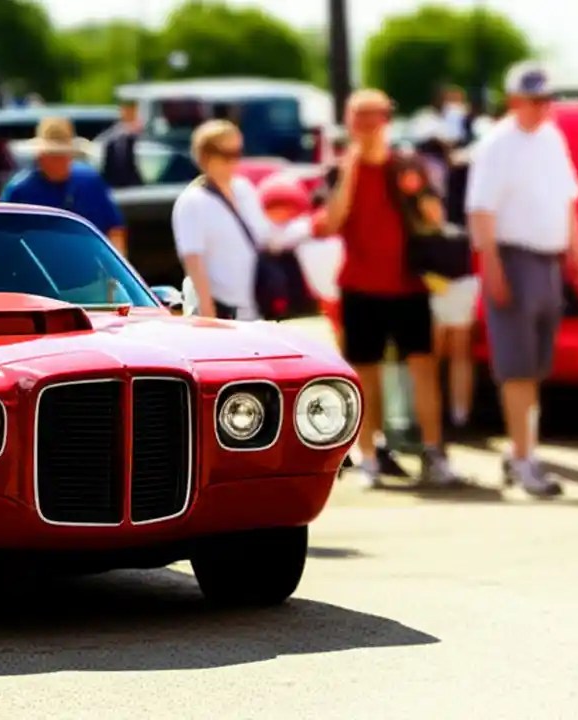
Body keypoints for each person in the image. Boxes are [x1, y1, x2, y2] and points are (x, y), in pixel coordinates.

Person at [316, 89, 462, 489]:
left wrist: (417, 192)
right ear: (349, 122)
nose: (367, 126)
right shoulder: (339, 171)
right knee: (365, 373)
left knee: (424, 368)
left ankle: (433, 452)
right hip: (360, 285)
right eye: (359, 117)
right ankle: (369, 456)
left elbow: (435, 217)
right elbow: (330, 223)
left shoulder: (406, 165)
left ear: (387, 120)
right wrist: (350, 170)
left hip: (409, 284)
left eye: (374, 117)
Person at [466, 62, 578, 497]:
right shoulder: (497, 144)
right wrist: (493, 267)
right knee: (517, 366)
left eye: (547, 100)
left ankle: (523, 450)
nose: (543, 108)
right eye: (535, 100)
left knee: (535, 366)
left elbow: (568, 196)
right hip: (514, 257)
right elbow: (481, 209)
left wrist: (576, 247)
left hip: (548, 260)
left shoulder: (552, 138)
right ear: (515, 101)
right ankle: (523, 459)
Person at [171, 120, 311, 321]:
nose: (233, 161)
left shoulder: (244, 189)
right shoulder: (192, 202)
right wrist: (207, 312)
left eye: (237, 153)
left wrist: (309, 228)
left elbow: (265, 237)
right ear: (204, 156)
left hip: (253, 310)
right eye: (225, 154)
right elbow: (193, 259)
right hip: (220, 314)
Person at [414, 119, 480, 430]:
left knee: (439, 355)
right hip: (456, 275)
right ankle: (454, 414)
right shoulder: (463, 176)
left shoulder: (423, 182)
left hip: (443, 277)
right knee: (453, 353)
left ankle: (446, 416)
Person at [0, 116, 127, 254]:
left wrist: (116, 262)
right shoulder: (19, 191)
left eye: (63, 155)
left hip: (85, 262)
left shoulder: (90, 182)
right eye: (52, 155)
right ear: (40, 155)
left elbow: (115, 230)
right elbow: (2, 237)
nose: (59, 161)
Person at [100, 101, 145, 188]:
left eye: (130, 109)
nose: (126, 112)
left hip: (138, 187)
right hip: (116, 186)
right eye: (124, 109)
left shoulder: (144, 134)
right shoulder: (113, 136)